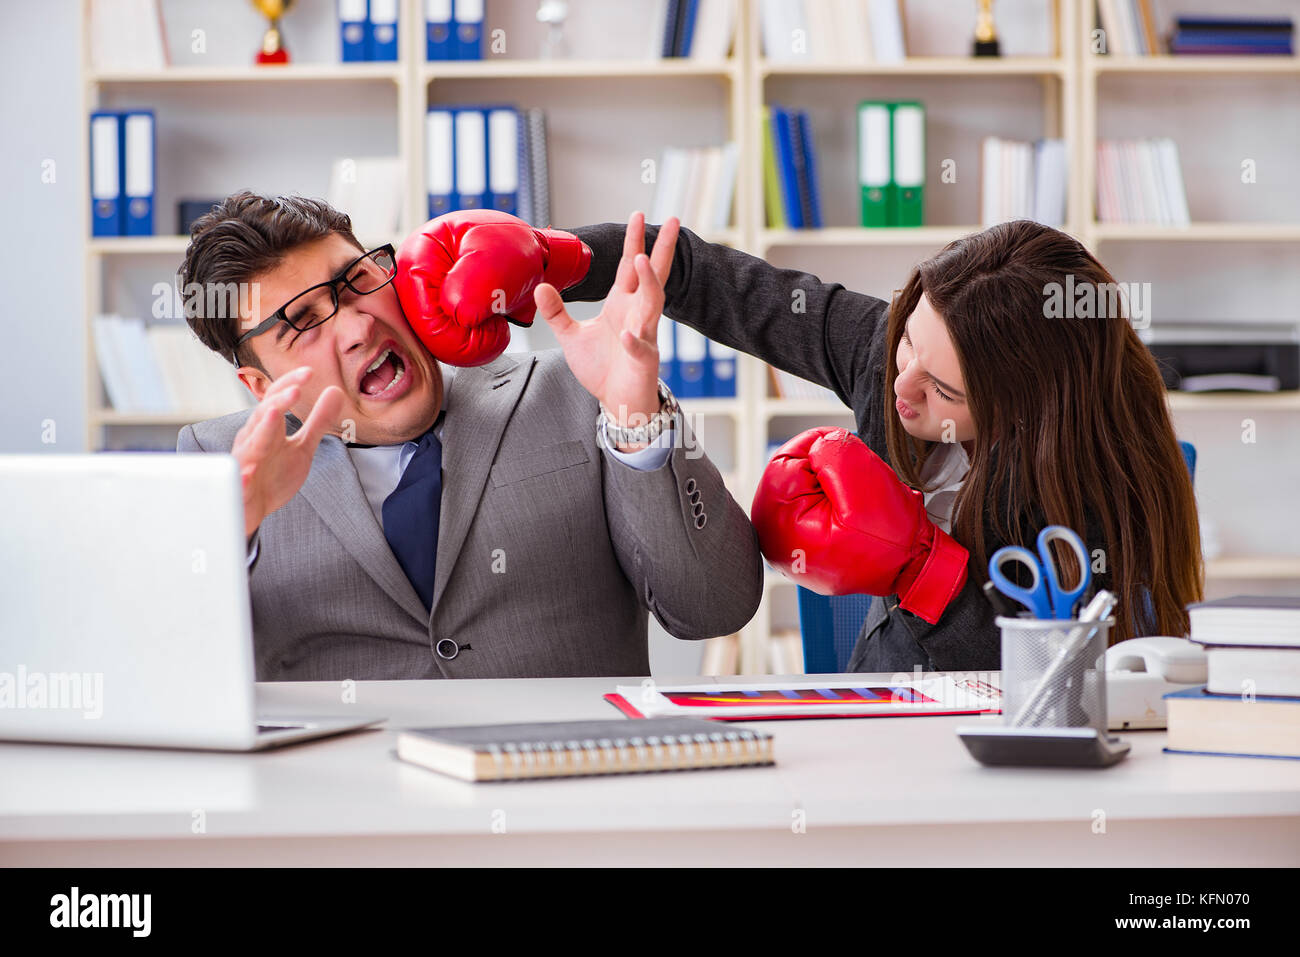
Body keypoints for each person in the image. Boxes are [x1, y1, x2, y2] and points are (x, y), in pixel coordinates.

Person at [449, 211, 1203, 672]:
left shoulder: (1094, 479)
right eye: (910, 343)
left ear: (1031, 410)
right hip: (877, 718)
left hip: (1017, 761)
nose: (902, 387)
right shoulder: (887, 358)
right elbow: (721, 285)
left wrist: (922, 569)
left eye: (944, 392)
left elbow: (1072, 679)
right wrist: (558, 258)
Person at [174, 192, 762, 680]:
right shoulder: (219, 465)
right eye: (301, 323)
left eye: (357, 279)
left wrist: (636, 418)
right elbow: (175, 677)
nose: (357, 326)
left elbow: (715, 606)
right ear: (259, 382)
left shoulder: (575, 391)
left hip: (568, 790)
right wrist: (234, 530)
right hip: (350, 806)